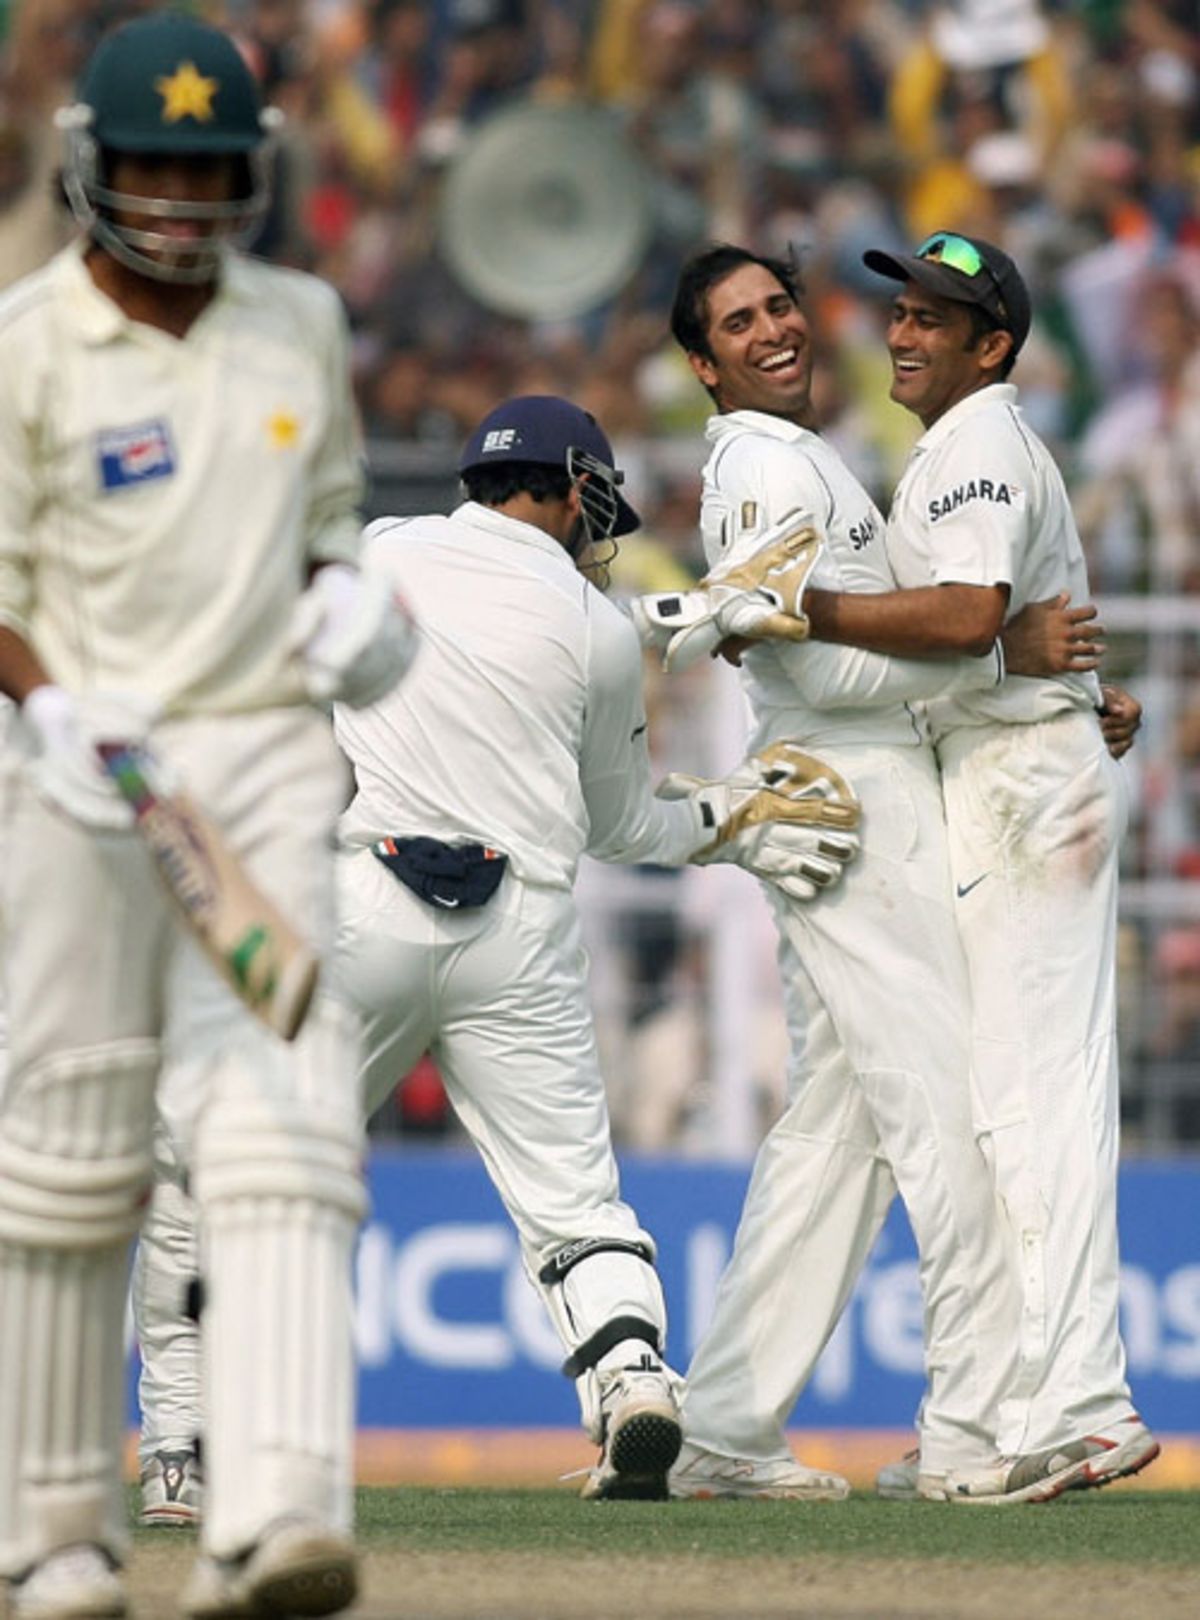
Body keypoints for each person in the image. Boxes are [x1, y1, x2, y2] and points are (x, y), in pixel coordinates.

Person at [128, 390, 863, 1509]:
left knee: (210, 1165)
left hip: (361, 900)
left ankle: (183, 1450)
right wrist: (731, 820)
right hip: (516, 923)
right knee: (574, 1202)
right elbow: (623, 828)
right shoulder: (595, 626)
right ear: (573, 488)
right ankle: (628, 1381)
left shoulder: (380, 551)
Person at [0, 14, 416, 1620]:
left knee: (288, 1136)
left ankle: (274, 1517)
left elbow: (327, 530)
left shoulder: (298, 323)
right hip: (83, 775)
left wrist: (355, 613)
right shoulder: (26, 345)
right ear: (95, 170)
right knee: (70, 1153)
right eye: (155, 166)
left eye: (211, 168)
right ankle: (54, 1534)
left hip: (256, 762)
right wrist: (43, 704)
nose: (182, 197)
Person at [632, 242, 1074, 1503]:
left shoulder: (792, 454)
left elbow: (810, 630)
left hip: (850, 783)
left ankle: (720, 1428)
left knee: (843, 1132)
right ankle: (975, 1438)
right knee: (949, 1113)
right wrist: (1007, 664)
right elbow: (811, 658)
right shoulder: (767, 464)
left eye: (779, 304)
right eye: (738, 322)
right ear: (700, 363)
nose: (773, 330)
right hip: (851, 792)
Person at [798, 230, 1158, 1503]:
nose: (901, 331)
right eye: (898, 310)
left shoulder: (984, 444)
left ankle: (1083, 1408)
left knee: (1034, 1097)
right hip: (1011, 772)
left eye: (933, 319)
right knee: (1004, 1099)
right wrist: (1081, 695)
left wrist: (799, 604)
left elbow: (960, 619)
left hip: (1022, 784)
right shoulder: (958, 448)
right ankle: (1014, 1413)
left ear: (991, 344)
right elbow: (1005, 630)